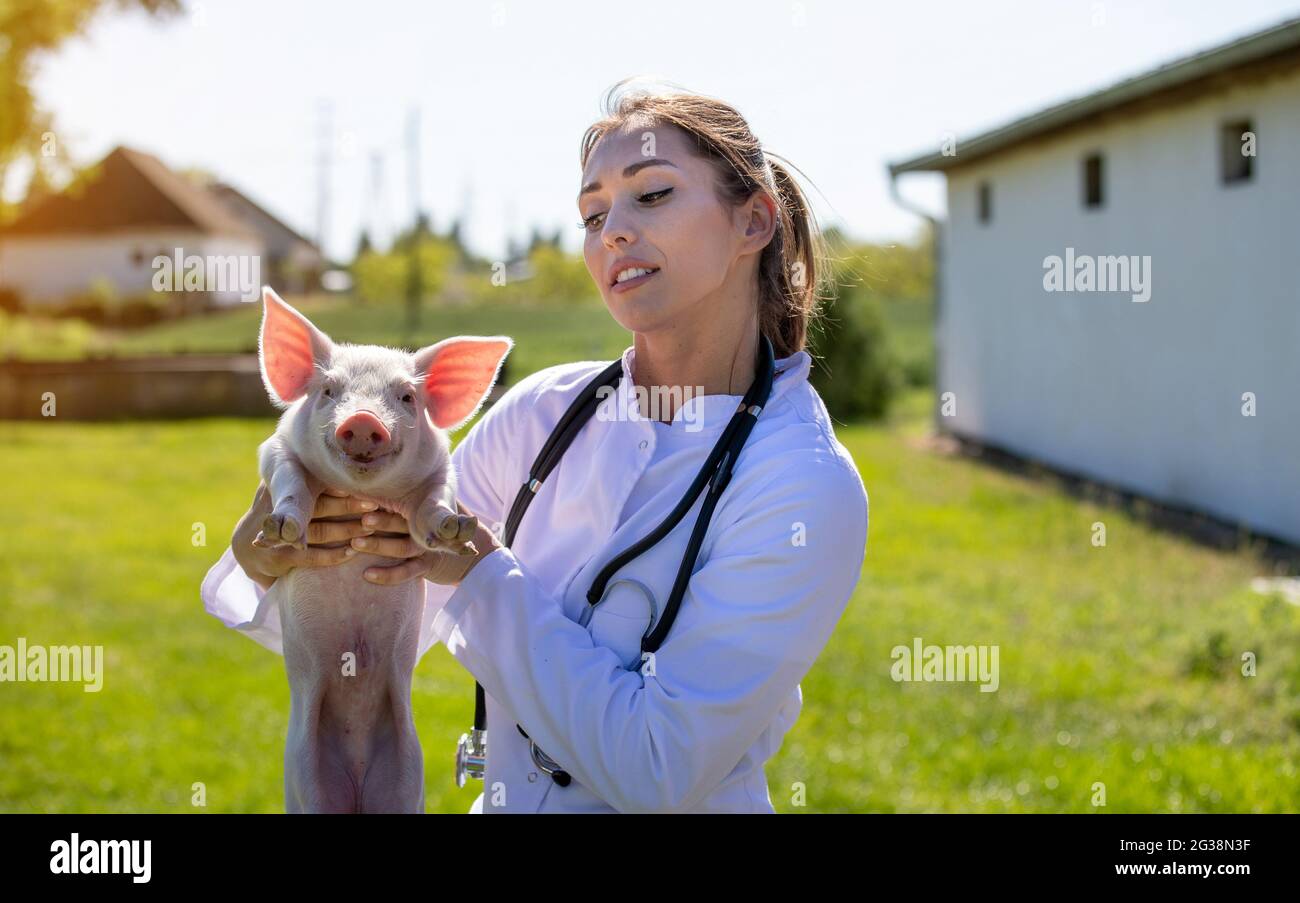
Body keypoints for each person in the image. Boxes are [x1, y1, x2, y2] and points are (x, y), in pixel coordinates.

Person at [201, 80, 869, 813]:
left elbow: (660, 766)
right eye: (593, 212)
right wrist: (266, 558)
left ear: (753, 223)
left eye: (651, 195)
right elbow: (376, 597)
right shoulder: (543, 413)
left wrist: (486, 579)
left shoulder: (803, 483)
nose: (613, 229)